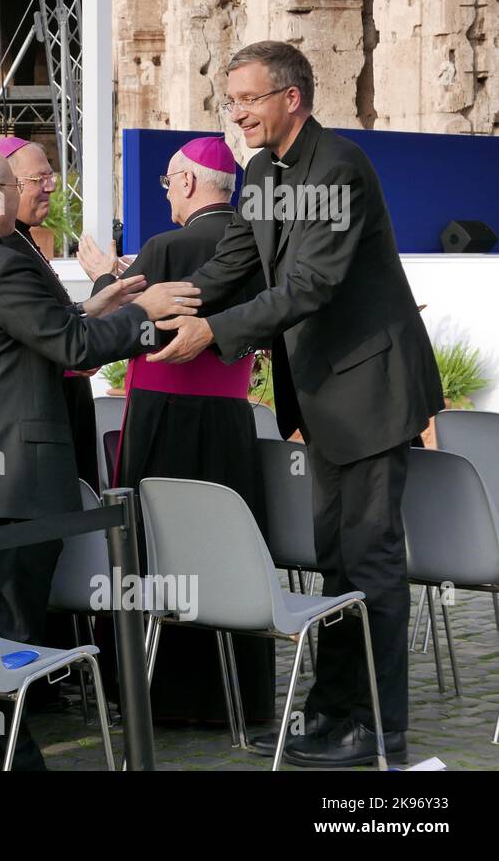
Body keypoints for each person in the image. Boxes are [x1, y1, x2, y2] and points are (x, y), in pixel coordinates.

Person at [152, 42, 442, 767]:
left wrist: (213, 331)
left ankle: (380, 729)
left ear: (292, 98)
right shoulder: (258, 171)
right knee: (332, 558)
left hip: (373, 390)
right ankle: (331, 708)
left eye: (248, 98)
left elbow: (308, 284)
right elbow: (236, 263)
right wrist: (156, 300)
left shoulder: (339, 167)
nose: (237, 112)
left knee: (369, 561)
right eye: (231, 100)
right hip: (323, 397)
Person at [0, 147, 201, 769]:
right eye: (14, 186)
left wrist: (92, 306)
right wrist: (142, 315)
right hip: (9, 483)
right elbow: (70, 347)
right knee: (11, 630)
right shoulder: (0, 264)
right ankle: (10, 755)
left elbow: (15, 336)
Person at [77, 135, 274, 724]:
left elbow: (112, 329)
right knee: (228, 544)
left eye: (167, 183)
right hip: (231, 421)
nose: (166, 193)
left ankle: (156, 696)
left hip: (162, 421)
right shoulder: (256, 241)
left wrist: (99, 279)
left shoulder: (165, 246)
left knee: (157, 553)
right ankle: (240, 697)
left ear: (188, 183)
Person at [0, 137, 102, 492]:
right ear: (7, 185)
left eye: (51, 177)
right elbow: (51, 335)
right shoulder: (6, 251)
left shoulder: (20, 239)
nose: (51, 188)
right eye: (39, 180)